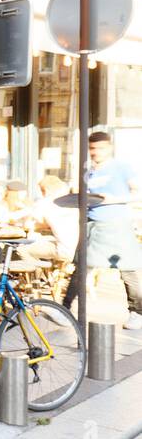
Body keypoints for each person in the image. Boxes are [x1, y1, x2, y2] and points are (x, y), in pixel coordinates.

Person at [62, 131, 142, 329]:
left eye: (99, 148)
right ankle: (64, 309)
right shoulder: (88, 172)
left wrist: (113, 199)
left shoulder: (121, 167)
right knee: (81, 267)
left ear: (109, 148)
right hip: (92, 225)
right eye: (92, 148)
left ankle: (137, 313)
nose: (95, 152)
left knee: (127, 270)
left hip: (116, 223)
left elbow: (138, 192)